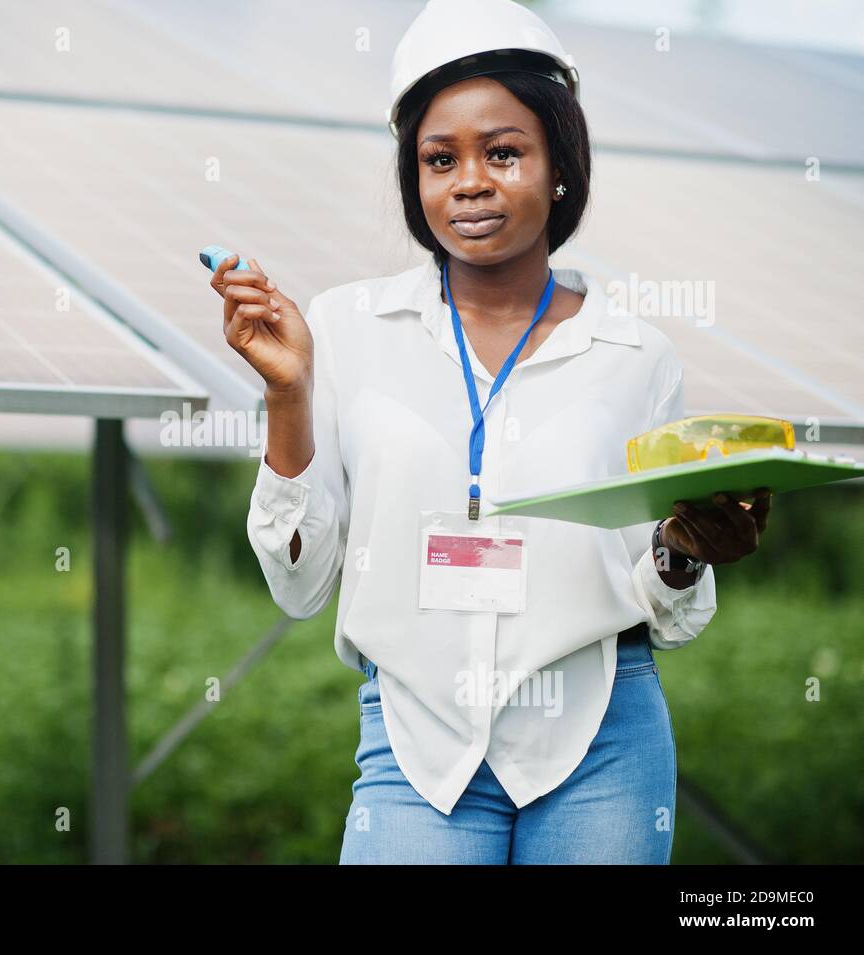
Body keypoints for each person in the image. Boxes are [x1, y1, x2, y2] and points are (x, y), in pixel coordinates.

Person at [209, 0, 773, 864]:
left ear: (559, 168)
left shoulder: (634, 354)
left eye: (503, 152)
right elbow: (300, 585)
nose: (468, 181)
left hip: (601, 736)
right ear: (416, 178)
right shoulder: (344, 329)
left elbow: (672, 612)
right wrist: (289, 395)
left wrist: (683, 549)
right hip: (414, 737)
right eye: (440, 160)